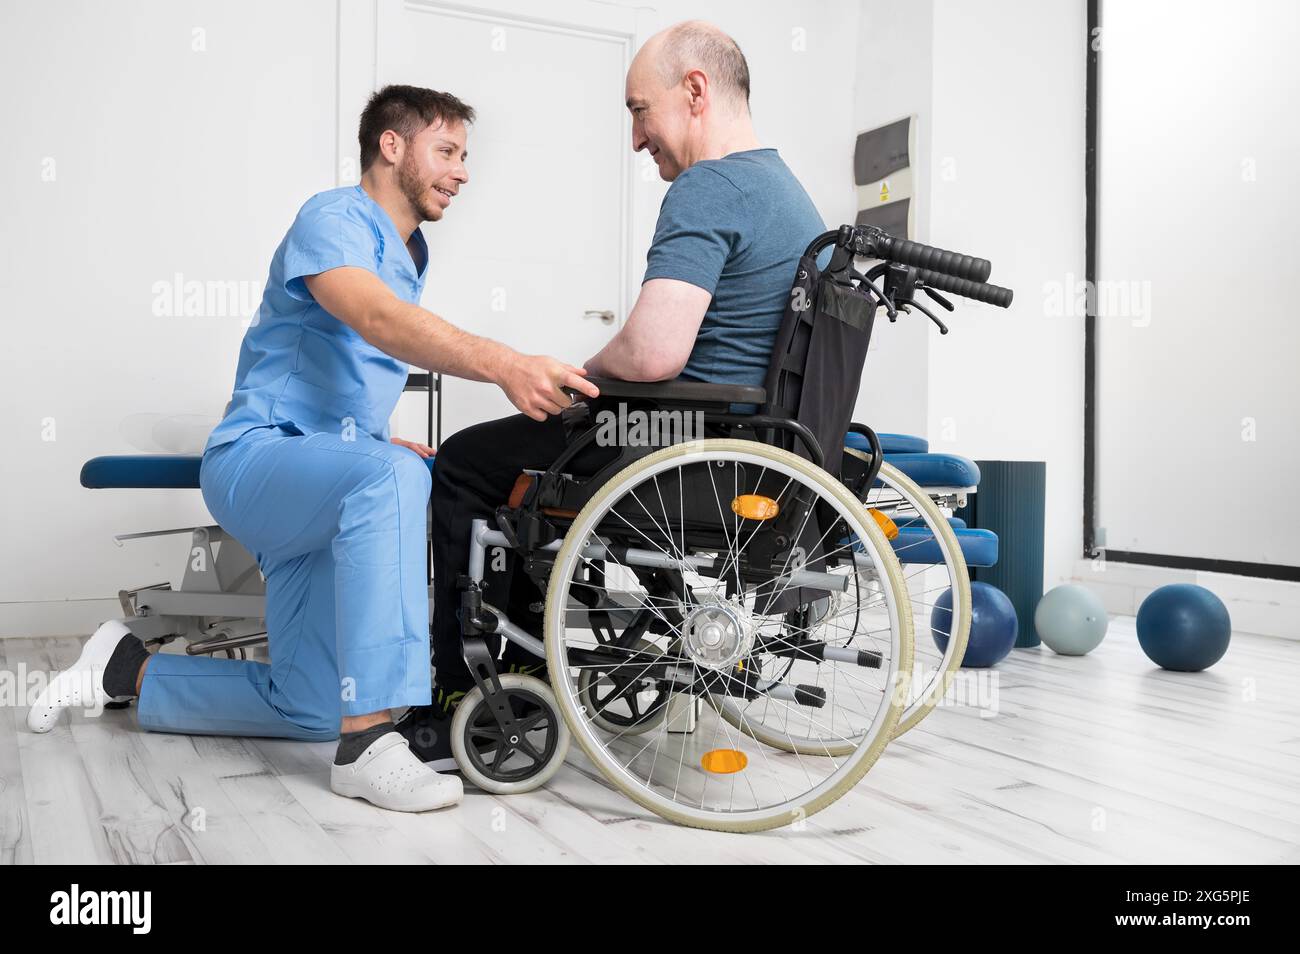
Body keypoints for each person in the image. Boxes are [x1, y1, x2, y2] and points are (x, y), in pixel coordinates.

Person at [28, 84, 598, 814]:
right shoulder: (333, 218)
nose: (462, 172)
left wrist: (367, 440)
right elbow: (375, 319)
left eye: (465, 156)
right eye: (448, 151)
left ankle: (124, 668)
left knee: (306, 702)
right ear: (391, 146)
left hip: (320, 483)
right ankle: (368, 744)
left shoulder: (408, 250)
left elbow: (350, 362)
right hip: (256, 459)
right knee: (393, 480)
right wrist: (507, 364)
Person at [403, 21, 827, 765]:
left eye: (639, 110)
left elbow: (655, 350)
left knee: (468, 461)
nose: (636, 139)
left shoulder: (711, 186)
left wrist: (579, 382)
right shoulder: (791, 196)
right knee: (523, 451)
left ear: (694, 91)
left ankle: (463, 695)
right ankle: (531, 665)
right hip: (748, 454)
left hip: (678, 445)